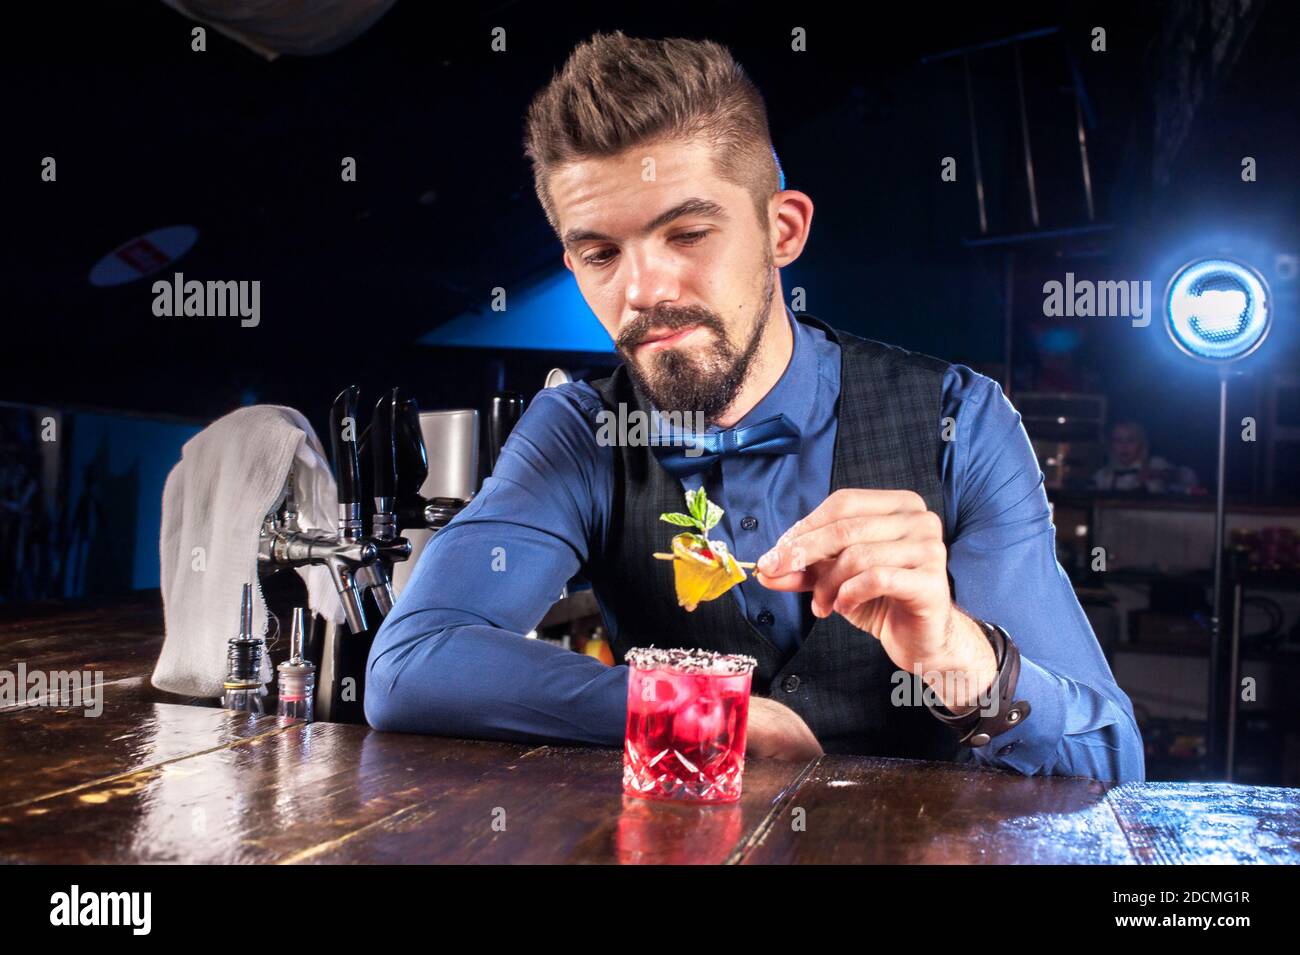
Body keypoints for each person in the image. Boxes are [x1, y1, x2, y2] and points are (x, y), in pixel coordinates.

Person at [364, 31, 1144, 783]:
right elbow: (410, 667)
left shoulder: (959, 423)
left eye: (688, 232)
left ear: (783, 229)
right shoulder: (578, 434)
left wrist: (956, 651)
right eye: (602, 254)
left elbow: (1112, 765)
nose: (643, 290)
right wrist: (704, 712)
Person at [1092, 420, 1199, 494]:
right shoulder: (1103, 475)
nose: (1124, 446)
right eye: (1118, 441)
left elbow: (1190, 479)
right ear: (1111, 444)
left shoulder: (1155, 464)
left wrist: (1160, 474)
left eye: (1131, 440)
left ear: (1141, 443)